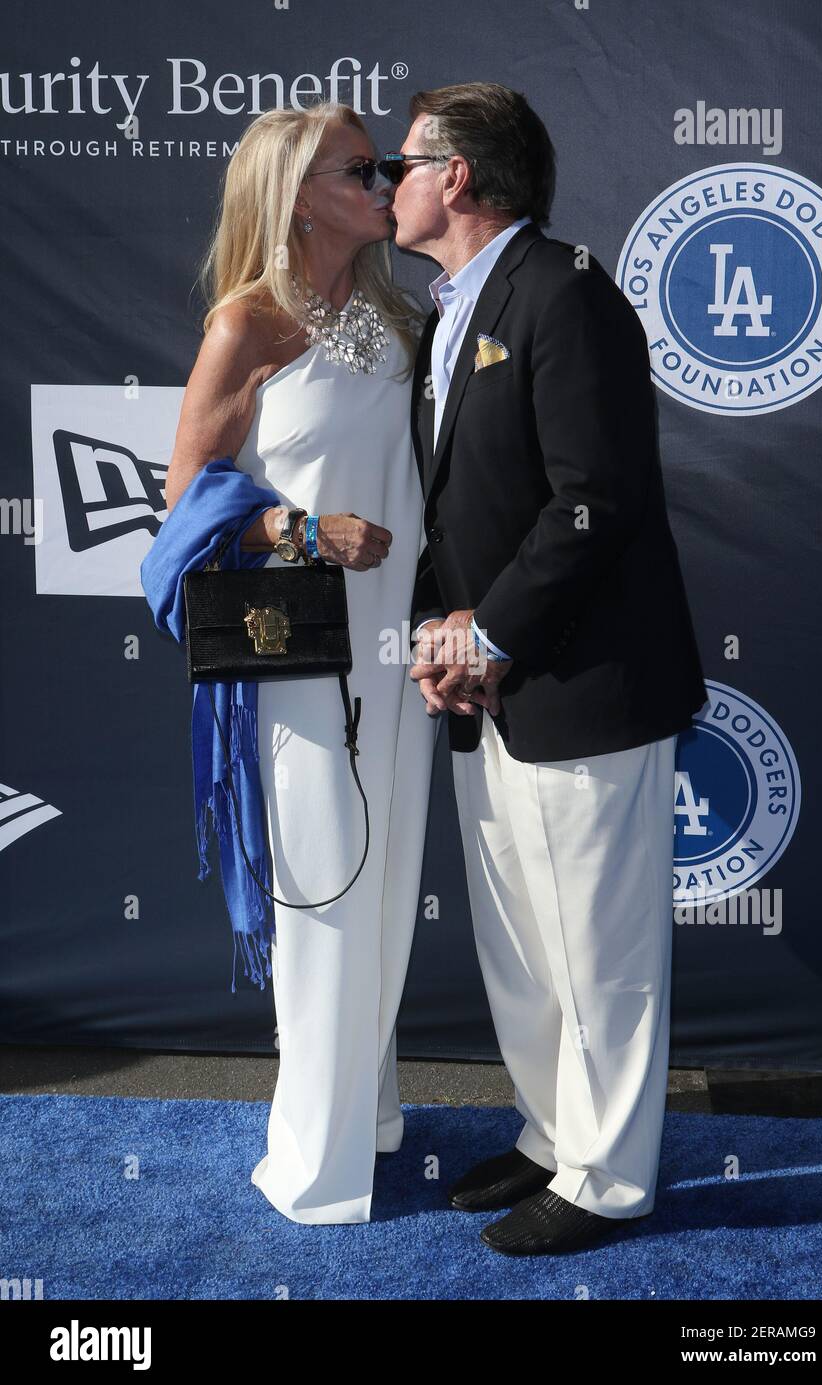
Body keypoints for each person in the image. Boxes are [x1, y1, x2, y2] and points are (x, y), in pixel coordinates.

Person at [396, 82, 709, 1255]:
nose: (389, 184)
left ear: (458, 177)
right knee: (523, 946)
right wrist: (445, 630)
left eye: (401, 163)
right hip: (491, 695)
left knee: (599, 950)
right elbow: (452, 510)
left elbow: (597, 500)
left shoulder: (563, 295)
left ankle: (608, 1176)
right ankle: (548, 1133)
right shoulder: (446, 311)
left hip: (584, 687)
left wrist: (488, 631)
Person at [163, 102, 436, 1225]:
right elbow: (181, 505)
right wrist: (300, 530)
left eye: (385, 166)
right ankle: (314, 1163)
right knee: (323, 895)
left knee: (378, 885)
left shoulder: (394, 315)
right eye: (359, 169)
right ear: (293, 194)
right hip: (302, 660)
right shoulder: (247, 325)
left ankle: (365, 1117)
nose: (385, 183)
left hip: (398, 653)